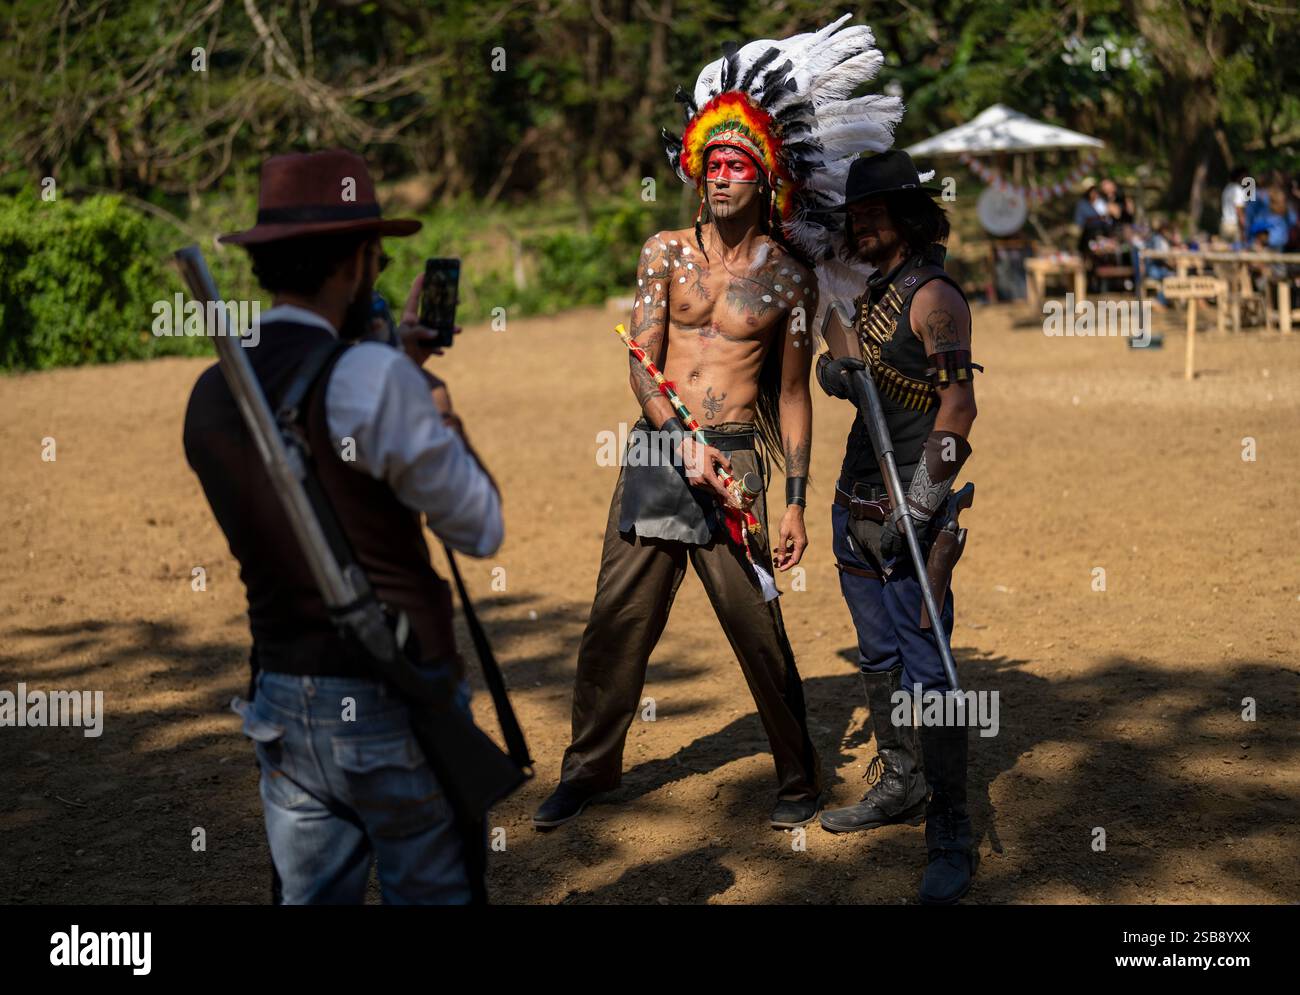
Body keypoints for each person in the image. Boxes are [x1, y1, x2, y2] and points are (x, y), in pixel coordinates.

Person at [532, 14, 904, 832]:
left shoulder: (789, 278)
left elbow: (796, 394)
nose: (722, 179)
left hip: (735, 464)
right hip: (661, 454)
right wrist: (678, 438)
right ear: (695, 172)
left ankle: (798, 777)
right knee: (614, 624)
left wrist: (798, 501)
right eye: (711, 165)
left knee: (756, 629)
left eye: (737, 166)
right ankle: (589, 770)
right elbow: (639, 357)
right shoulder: (664, 252)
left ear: (765, 177)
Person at [183, 150, 503, 904]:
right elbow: (478, 527)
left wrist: (393, 363)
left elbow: (313, 431)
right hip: (392, 702)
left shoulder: (210, 391)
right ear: (358, 262)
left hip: (281, 699)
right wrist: (433, 403)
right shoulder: (377, 379)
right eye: (378, 257)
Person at [814, 150, 981, 905]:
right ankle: (901, 783)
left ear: (909, 216)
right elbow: (853, 366)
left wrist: (917, 508)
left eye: (876, 212)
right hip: (854, 508)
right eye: (856, 215)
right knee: (879, 659)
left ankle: (951, 831)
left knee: (930, 672)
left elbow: (958, 411)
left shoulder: (934, 296)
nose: (863, 224)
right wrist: (833, 357)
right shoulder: (870, 291)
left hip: (912, 521)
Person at [1221, 167, 1249, 245]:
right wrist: (1243, 228)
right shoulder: (1238, 190)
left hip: (1224, 224)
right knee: (1237, 253)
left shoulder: (1227, 188)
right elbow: (1239, 210)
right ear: (1240, 176)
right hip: (1234, 225)